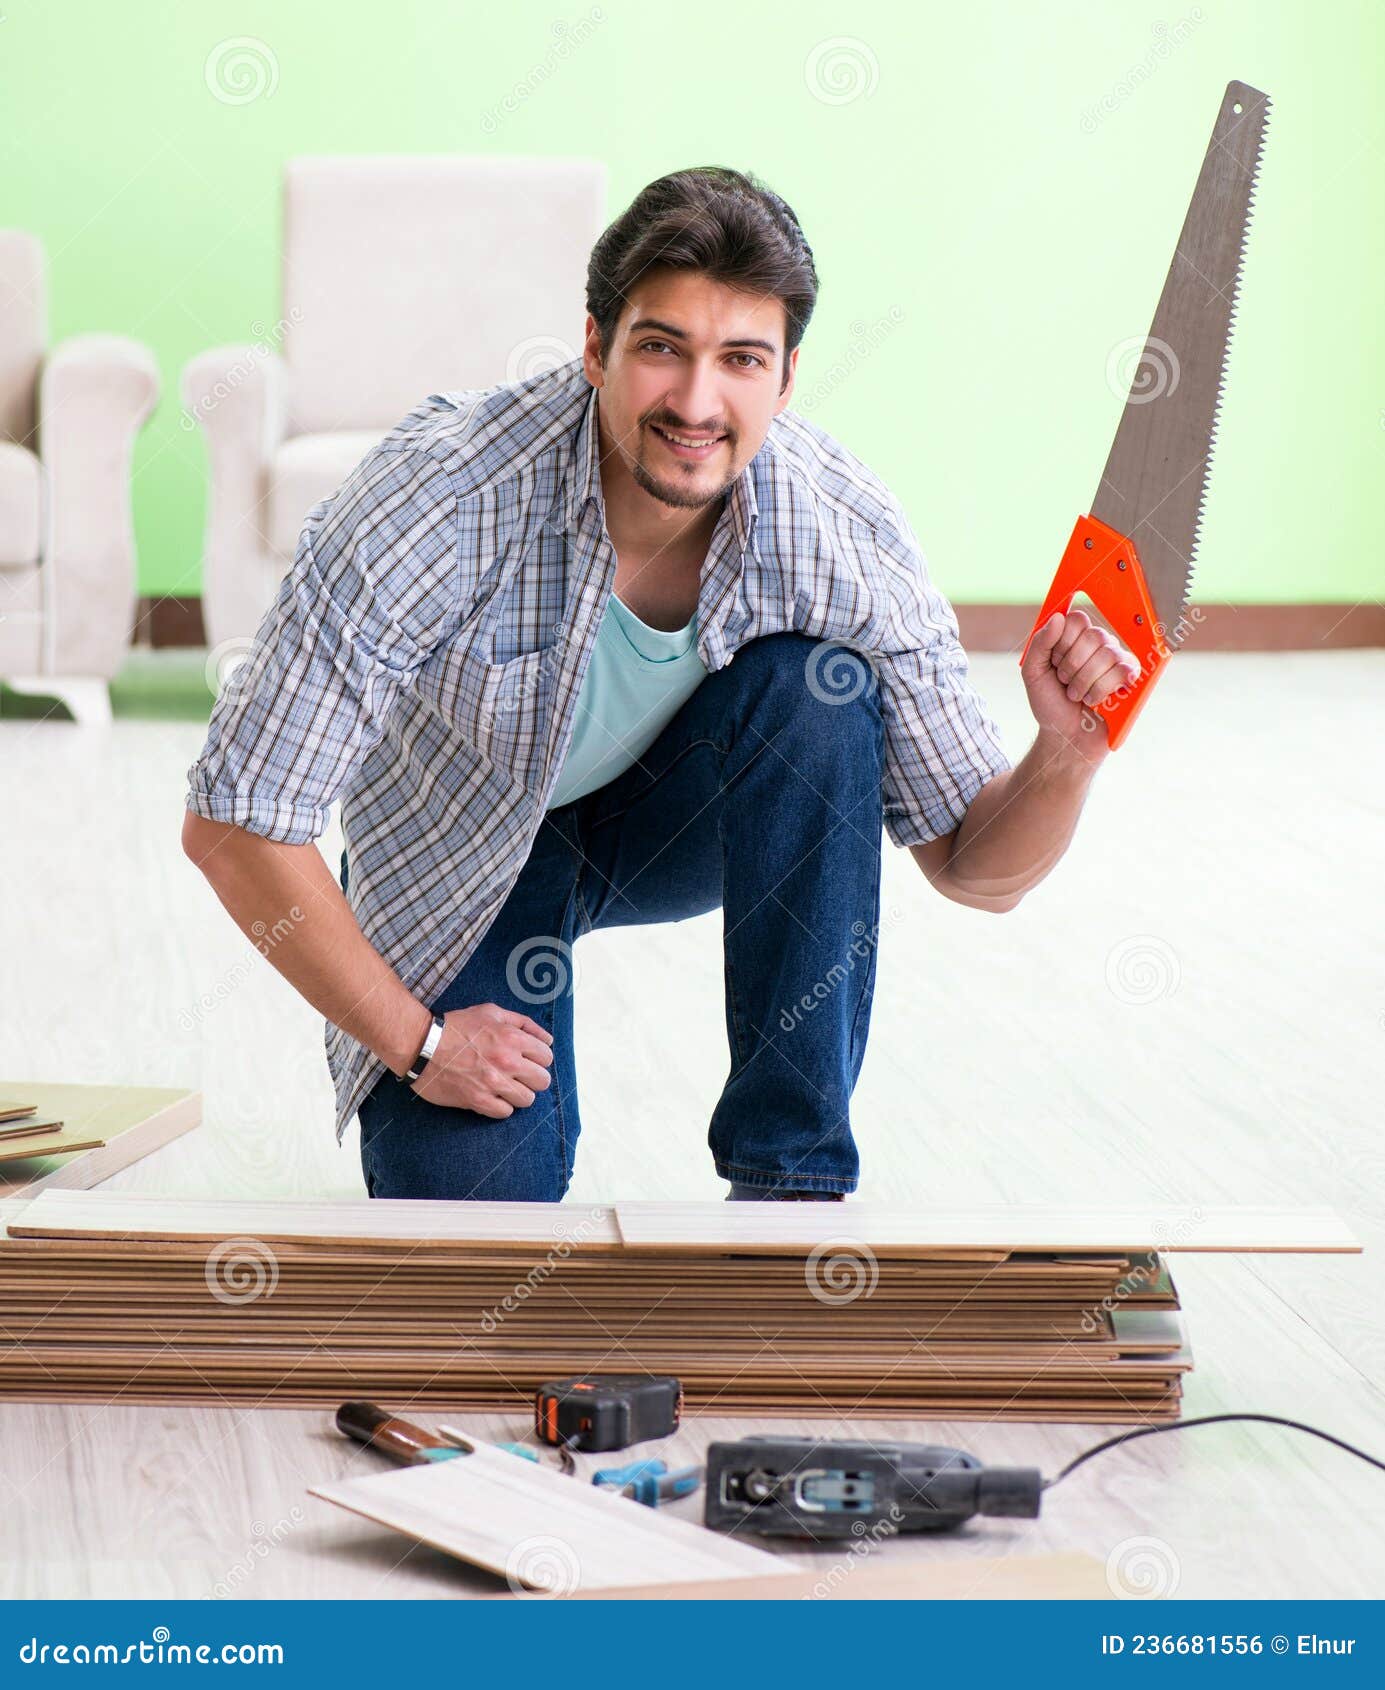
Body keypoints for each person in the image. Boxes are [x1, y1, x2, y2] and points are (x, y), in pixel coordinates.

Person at [183, 166, 1136, 1204]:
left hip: (662, 825)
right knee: (470, 1234)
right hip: (457, 863)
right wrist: (420, 1044)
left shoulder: (839, 530)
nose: (694, 401)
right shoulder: (442, 500)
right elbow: (234, 822)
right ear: (593, 348)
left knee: (818, 692)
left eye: (739, 360)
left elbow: (972, 867)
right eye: (660, 348)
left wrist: (1066, 753)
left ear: (785, 377)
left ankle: (791, 1187)